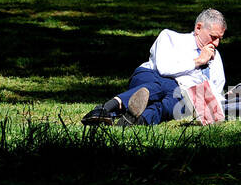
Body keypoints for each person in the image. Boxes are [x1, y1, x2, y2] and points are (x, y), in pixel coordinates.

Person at [82, 9, 227, 126]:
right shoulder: (170, 37)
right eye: (213, 37)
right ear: (198, 28)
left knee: (171, 105)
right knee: (167, 84)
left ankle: (132, 121)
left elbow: (217, 87)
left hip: (181, 94)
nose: (216, 43)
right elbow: (164, 69)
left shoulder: (216, 56)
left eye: (220, 38)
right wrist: (198, 61)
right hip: (150, 77)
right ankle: (108, 108)